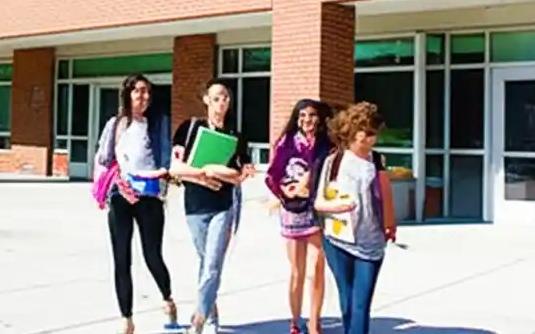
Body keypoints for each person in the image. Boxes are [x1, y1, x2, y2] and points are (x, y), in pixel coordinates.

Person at [93, 74, 178, 334]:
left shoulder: (158, 123)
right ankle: (126, 319)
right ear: (128, 94)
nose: (144, 96)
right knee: (121, 258)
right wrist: (118, 183)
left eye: (147, 92)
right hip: (121, 194)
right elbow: (104, 158)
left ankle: (167, 298)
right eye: (138, 91)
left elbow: (165, 161)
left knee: (152, 255)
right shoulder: (115, 124)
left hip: (149, 196)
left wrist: (161, 180)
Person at [169, 78, 255, 334]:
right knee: (206, 262)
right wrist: (204, 176)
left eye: (225, 97)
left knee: (212, 264)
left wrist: (236, 173)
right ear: (206, 99)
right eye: (216, 97)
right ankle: (211, 315)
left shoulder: (235, 136)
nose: (221, 102)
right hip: (195, 207)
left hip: (224, 206)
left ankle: (198, 321)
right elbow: (176, 169)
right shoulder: (189, 128)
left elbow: (240, 175)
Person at [313, 102, 396, 334]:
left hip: (371, 243)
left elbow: (386, 196)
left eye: (374, 134)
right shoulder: (334, 161)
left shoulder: (377, 160)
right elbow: (319, 203)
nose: (371, 140)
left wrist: (391, 224)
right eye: (366, 134)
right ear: (351, 131)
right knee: (347, 302)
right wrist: (339, 206)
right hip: (338, 241)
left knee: (361, 304)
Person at [265, 99, 334, 334]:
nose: (307, 120)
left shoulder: (327, 145)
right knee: (297, 270)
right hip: (292, 210)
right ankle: (295, 320)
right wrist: (283, 190)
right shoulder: (286, 143)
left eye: (312, 115)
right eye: (302, 115)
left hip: (317, 210)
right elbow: (272, 174)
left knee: (317, 269)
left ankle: (315, 323)